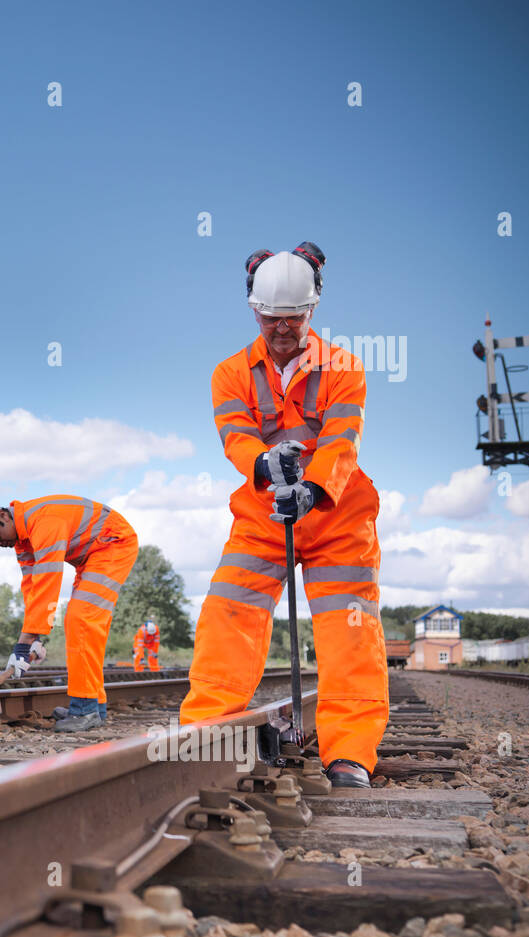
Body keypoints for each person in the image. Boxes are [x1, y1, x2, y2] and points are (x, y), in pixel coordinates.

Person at [179, 243, 388, 788]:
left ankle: (350, 754)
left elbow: (343, 440)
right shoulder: (230, 373)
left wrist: (314, 488)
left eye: (293, 319)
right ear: (254, 311)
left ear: (312, 311)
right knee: (229, 611)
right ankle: (207, 732)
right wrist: (265, 467)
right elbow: (236, 436)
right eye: (272, 319)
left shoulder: (344, 367)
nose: (281, 330)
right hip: (264, 511)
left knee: (349, 629)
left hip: (338, 514)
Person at [0, 487, 138, 731]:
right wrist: (34, 640)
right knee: (84, 625)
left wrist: (22, 645)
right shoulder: (22, 540)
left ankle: (85, 710)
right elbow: (33, 590)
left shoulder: (45, 522)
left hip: (113, 545)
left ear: (3, 516)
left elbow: (48, 584)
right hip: (92, 556)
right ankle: (94, 706)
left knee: (80, 620)